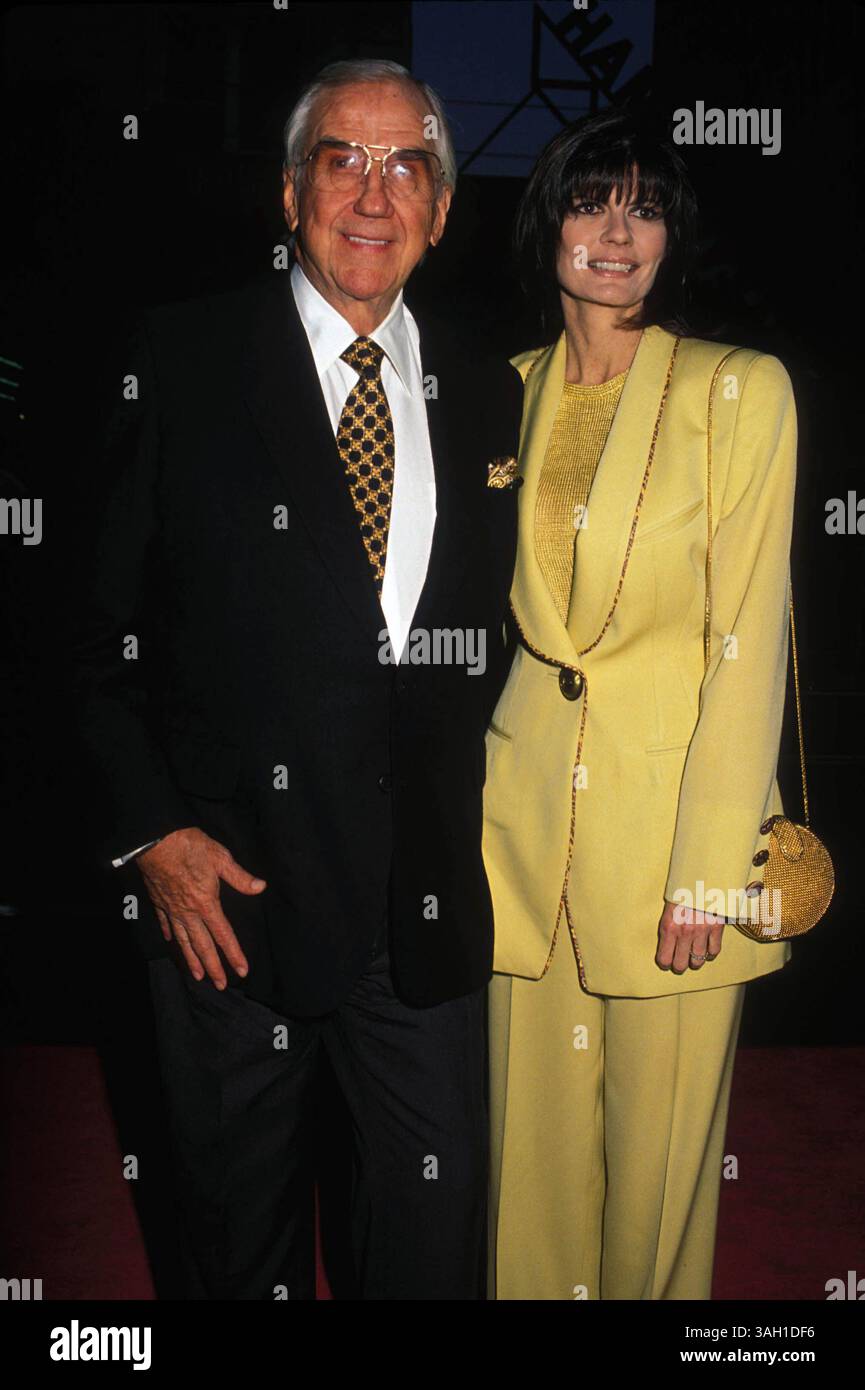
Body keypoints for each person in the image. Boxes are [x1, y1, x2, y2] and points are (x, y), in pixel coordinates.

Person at [71, 58, 521, 1300]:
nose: (372, 195)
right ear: (288, 192)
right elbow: (80, 632)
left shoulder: (489, 391)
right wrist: (151, 830)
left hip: (418, 936)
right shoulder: (177, 359)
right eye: (342, 160)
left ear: (438, 208)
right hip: (233, 920)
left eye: (406, 167)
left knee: (429, 1263)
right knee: (236, 1258)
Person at [483, 107, 796, 1300]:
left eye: (647, 207)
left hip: (672, 849)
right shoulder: (503, 391)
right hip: (520, 844)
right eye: (590, 199)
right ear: (547, 221)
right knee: (526, 1181)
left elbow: (748, 639)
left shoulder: (737, 391)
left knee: (658, 1184)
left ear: (674, 239)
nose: (616, 230)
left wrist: (710, 866)